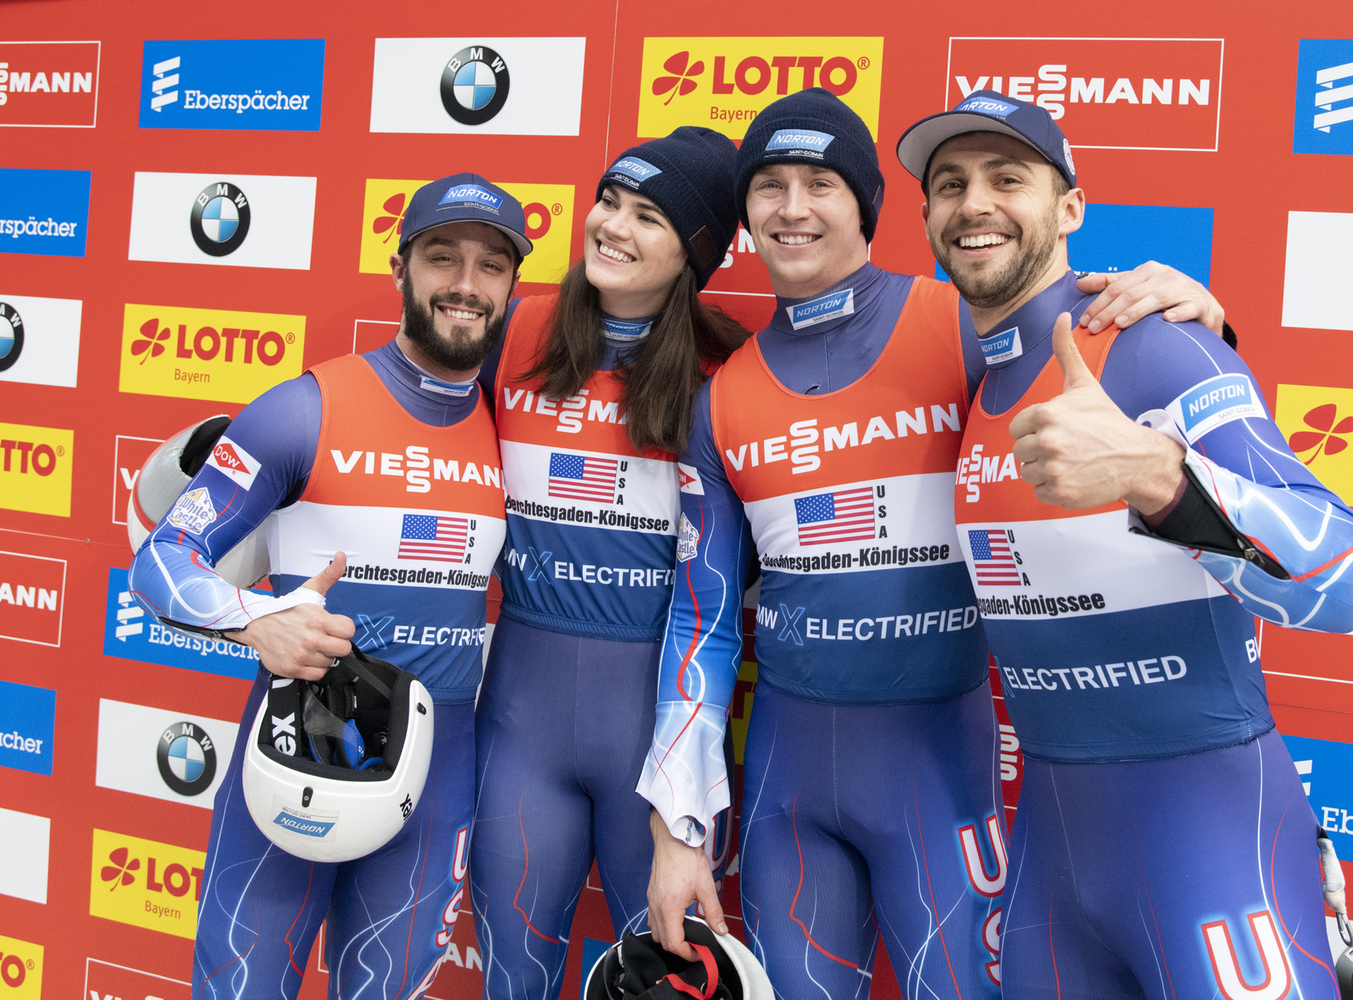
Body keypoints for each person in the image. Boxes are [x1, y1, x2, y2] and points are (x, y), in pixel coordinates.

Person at [637, 89, 1227, 999]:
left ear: (871, 207)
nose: (794, 209)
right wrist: (677, 832)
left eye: (822, 183)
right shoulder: (723, 397)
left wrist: (1204, 316)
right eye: (771, 187)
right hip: (787, 790)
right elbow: (704, 622)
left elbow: (1128, 367)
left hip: (942, 774)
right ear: (746, 215)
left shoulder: (970, 322)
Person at [899, 91, 1353, 998]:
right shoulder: (966, 375)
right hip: (1052, 848)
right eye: (949, 185)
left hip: (1208, 833)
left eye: (1009, 178)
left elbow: (1342, 578)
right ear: (927, 219)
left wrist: (1159, 476)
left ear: (1071, 207)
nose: (974, 204)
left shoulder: (1156, 347)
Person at [128, 174, 524, 1000]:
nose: (465, 283)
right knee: (240, 984)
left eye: (491, 266)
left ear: (511, 287)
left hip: (438, 763)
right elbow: (160, 561)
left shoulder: (508, 426)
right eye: (442, 257)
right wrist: (253, 620)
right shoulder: (303, 408)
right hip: (295, 739)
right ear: (400, 270)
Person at [467, 127, 749, 1000]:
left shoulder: (731, 368)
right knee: (512, 981)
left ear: (693, 256)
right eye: (610, 202)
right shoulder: (510, 332)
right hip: (520, 729)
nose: (613, 227)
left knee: (660, 986)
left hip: (658, 740)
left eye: (649, 216)